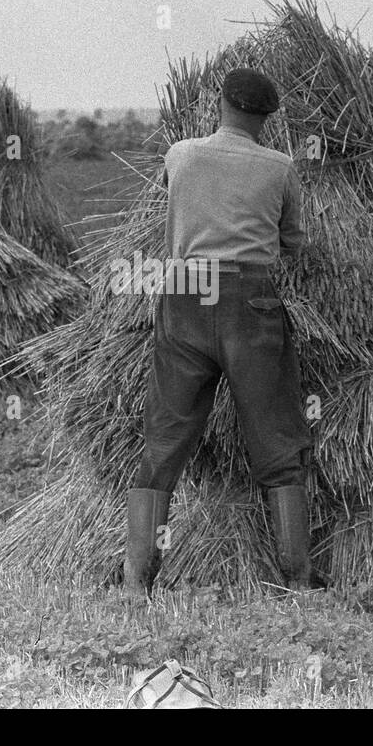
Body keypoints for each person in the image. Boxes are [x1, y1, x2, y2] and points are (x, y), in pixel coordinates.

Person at [124, 67, 315, 593]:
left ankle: (136, 579)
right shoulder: (279, 168)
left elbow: (173, 202)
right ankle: (297, 579)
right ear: (266, 118)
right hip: (247, 303)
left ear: (221, 104)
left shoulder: (180, 155)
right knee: (276, 439)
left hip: (184, 296)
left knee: (164, 438)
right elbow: (294, 242)